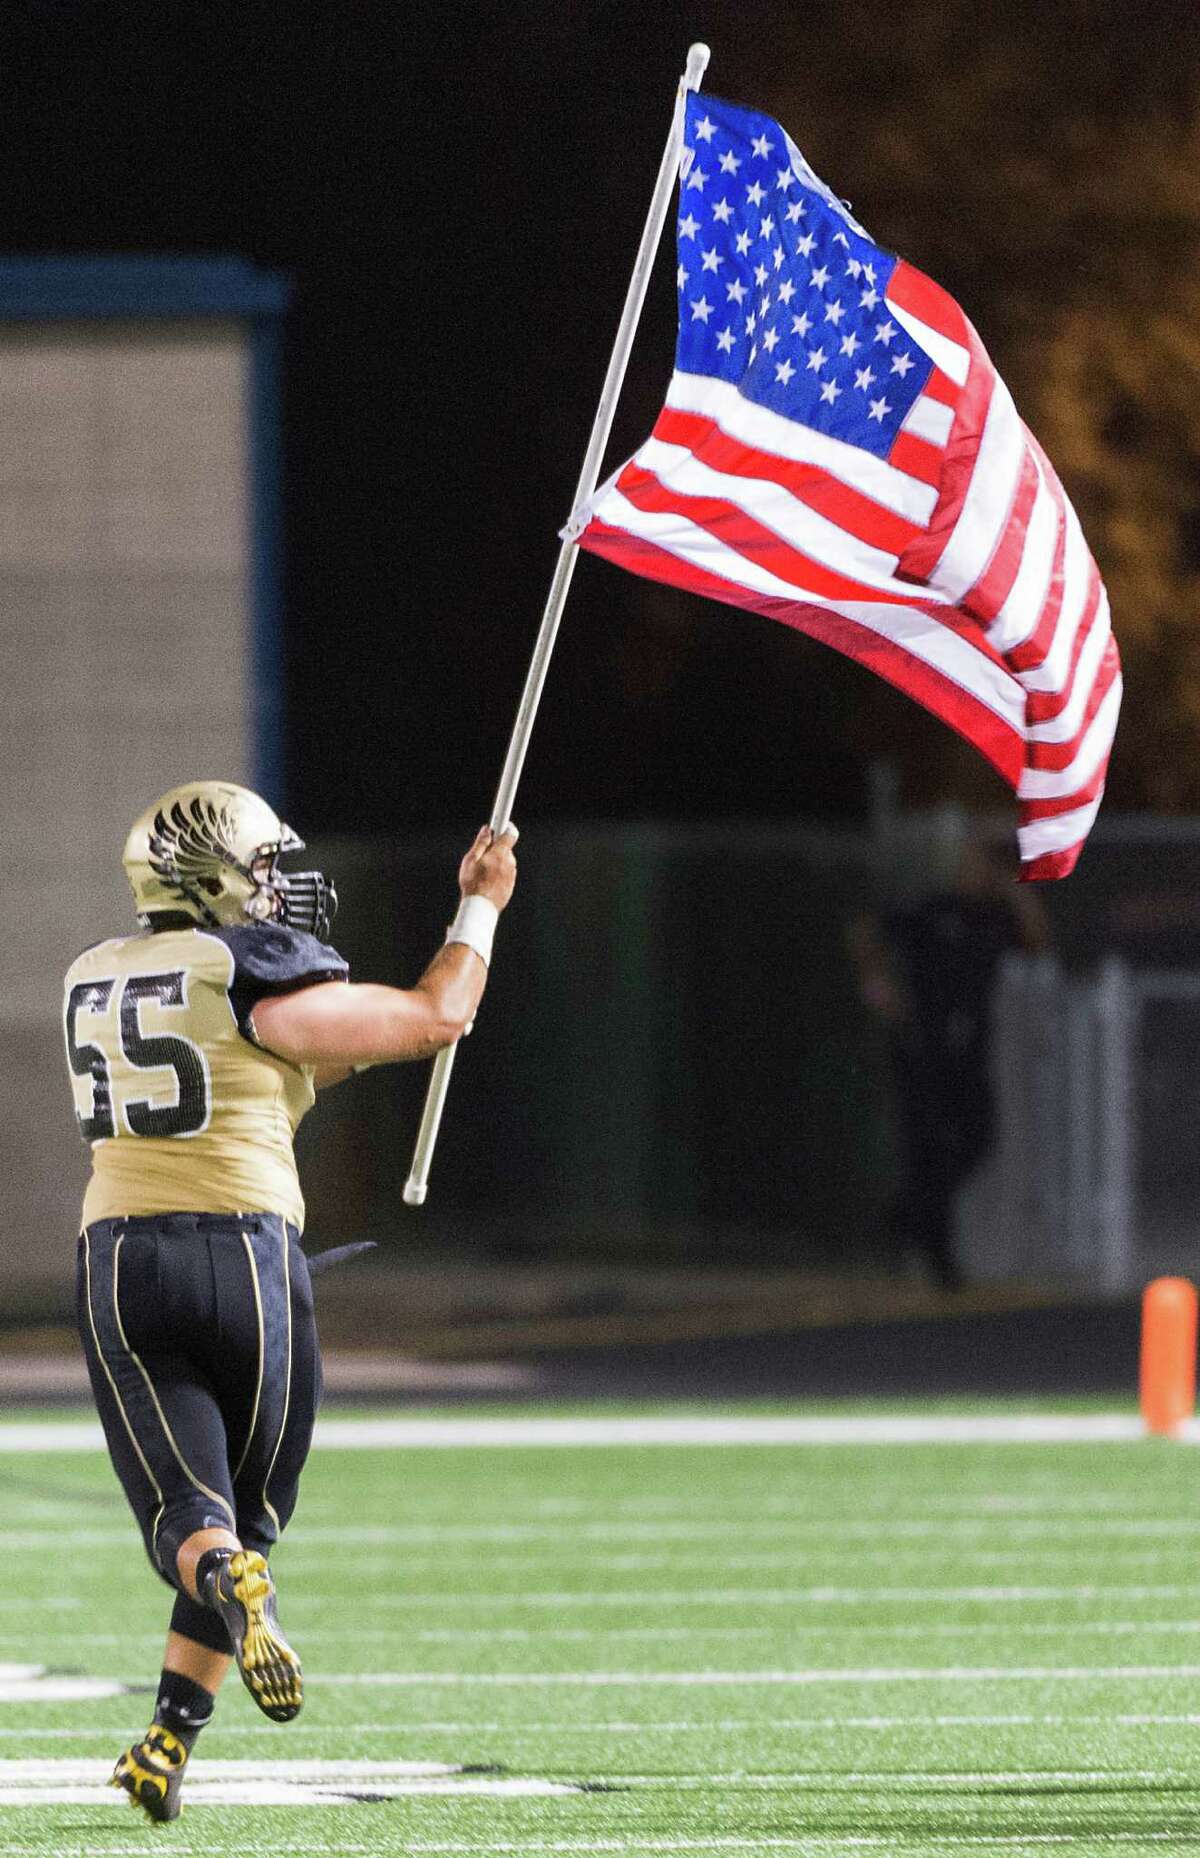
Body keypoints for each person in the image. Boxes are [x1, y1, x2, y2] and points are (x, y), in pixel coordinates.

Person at [62, 780, 517, 1821]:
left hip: (120, 1262)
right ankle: (219, 1613)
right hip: (247, 1260)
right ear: (214, 872)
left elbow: (269, 1056)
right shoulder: (246, 964)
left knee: (191, 1515)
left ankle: (165, 1743)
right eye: (264, 867)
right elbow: (436, 1014)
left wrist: (398, 1028)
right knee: (248, 1518)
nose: (279, 888)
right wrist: (480, 906)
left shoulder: (94, 972)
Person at [849, 838, 1047, 1290]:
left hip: (970, 1048)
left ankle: (911, 1215)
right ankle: (937, 1253)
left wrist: (1016, 888)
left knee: (977, 1138)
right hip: (922, 1044)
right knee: (927, 1146)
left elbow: (1037, 941)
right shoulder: (930, 909)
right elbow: (866, 930)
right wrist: (877, 985)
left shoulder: (993, 917)